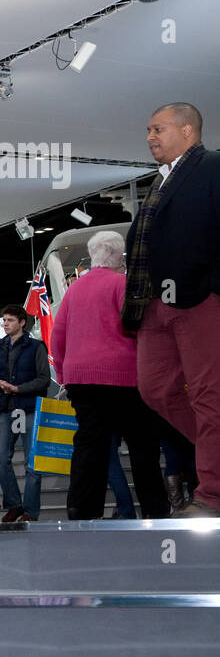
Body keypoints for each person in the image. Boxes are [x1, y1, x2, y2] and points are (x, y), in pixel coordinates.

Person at [121, 102, 220, 516]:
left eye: (158, 129)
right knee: (155, 388)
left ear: (188, 131)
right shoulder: (159, 182)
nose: (150, 137)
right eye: (148, 130)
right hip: (152, 305)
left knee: (208, 394)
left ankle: (213, 494)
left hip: (198, 300)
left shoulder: (212, 167)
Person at [52, 230, 170, 519]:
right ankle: (155, 510)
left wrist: (65, 374)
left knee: (89, 445)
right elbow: (135, 326)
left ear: (94, 255)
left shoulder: (75, 290)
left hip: (81, 379)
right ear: (120, 256)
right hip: (124, 377)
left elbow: (58, 335)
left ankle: (81, 510)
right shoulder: (123, 284)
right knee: (142, 445)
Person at [0, 304, 50, 522]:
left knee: (32, 463)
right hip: (7, 408)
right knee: (0, 457)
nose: (5, 324)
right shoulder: (0, 347)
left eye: (10, 320)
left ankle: (30, 512)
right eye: (4, 320)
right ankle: (15, 504)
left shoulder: (36, 347)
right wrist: (1, 386)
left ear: (22, 322)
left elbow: (44, 379)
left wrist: (18, 388)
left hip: (30, 408)